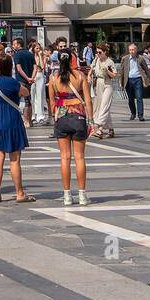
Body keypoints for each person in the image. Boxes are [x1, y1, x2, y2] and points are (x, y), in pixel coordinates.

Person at [0, 55, 34, 203]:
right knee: (14, 159)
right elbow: (25, 92)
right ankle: (19, 193)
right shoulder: (12, 82)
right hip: (11, 120)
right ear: (9, 67)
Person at [48, 49, 94, 206]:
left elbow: (52, 104)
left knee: (64, 157)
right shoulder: (80, 76)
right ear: (72, 60)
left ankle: (67, 195)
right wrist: (91, 120)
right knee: (79, 157)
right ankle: (82, 194)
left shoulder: (53, 78)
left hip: (62, 117)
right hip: (79, 116)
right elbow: (88, 100)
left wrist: (57, 114)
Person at [90, 43, 118, 138]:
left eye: (100, 52)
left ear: (105, 52)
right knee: (101, 106)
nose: (98, 54)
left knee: (104, 105)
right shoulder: (96, 59)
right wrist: (89, 76)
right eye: (97, 52)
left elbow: (115, 75)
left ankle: (99, 127)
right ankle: (111, 129)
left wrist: (107, 71)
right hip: (99, 83)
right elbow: (92, 67)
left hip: (107, 84)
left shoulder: (110, 62)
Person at [119, 42, 150, 122]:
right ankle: (133, 113)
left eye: (133, 50)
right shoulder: (125, 59)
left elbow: (146, 70)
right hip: (128, 80)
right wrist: (121, 81)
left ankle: (140, 115)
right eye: (130, 50)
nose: (131, 51)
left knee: (139, 97)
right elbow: (122, 71)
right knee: (130, 99)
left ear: (136, 50)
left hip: (138, 79)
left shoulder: (140, 58)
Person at [11, 37, 36, 126]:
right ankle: (29, 120)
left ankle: (26, 121)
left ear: (18, 44)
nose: (13, 46)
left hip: (21, 80)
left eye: (14, 44)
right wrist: (31, 77)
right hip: (30, 80)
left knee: (20, 100)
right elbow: (35, 67)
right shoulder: (30, 54)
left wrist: (26, 78)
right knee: (28, 100)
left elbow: (19, 68)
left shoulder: (17, 55)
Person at [30, 42, 47, 124]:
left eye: (39, 48)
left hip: (40, 75)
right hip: (33, 75)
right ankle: (33, 115)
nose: (38, 49)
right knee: (32, 96)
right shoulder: (31, 56)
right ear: (33, 49)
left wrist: (40, 56)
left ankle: (40, 116)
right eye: (36, 48)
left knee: (40, 96)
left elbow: (42, 67)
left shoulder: (42, 56)